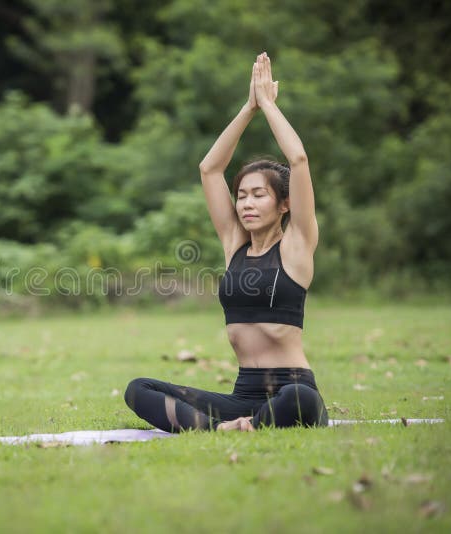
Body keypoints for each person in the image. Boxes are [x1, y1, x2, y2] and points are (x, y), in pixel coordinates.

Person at [124, 52, 328, 432]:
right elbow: (209, 168)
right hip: (241, 395)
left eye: (259, 195)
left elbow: (298, 159)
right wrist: (247, 108)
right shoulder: (235, 243)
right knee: (139, 390)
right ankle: (225, 427)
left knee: (301, 400)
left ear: (284, 204)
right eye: (242, 195)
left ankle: (245, 424)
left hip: (291, 388)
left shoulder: (297, 245)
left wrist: (267, 105)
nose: (247, 203)